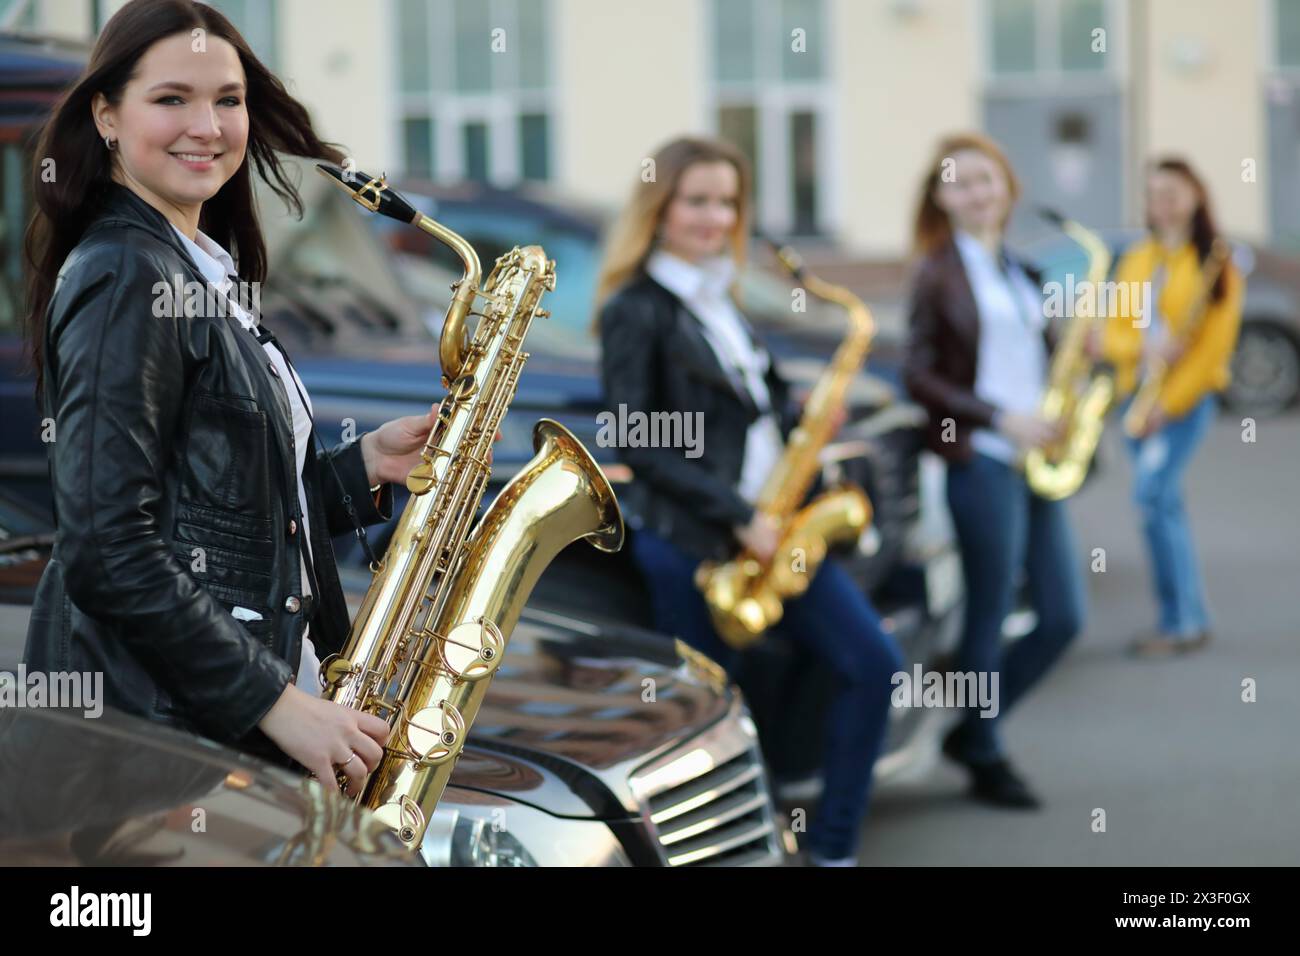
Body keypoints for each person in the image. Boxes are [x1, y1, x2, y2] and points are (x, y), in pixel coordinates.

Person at [20, 0, 440, 793]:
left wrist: (359, 469)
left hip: (204, 734)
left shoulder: (191, 267)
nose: (206, 126)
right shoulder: (124, 275)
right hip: (159, 757)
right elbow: (107, 549)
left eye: (228, 99)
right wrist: (274, 702)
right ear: (106, 115)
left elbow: (210, 508)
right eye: (171, 99)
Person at [595, 135, 903, 866]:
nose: (715, 216)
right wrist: (740, 519)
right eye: (697, 200)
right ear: (659, 207)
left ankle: (831, 850)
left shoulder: (721, 295)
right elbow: (636, 440)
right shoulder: (636, 309)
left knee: (874, 662)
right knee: (710, 726)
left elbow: (753, 403)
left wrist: (800, 419)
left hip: (775, 528)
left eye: (727, 202)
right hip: (696, 545)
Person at [902, 132, 1085, 809]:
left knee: (1064, 616)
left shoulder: (1020, 268)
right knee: (988, 615)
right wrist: (997, 417)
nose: (978, 192)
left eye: (988, 179)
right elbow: (917, 374)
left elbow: (1030, 361)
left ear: (1007, 186)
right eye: (961, 183)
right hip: (980, 459)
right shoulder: (937, 272)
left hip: (1034, 461)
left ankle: (972, 730)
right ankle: (983, 748)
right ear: (942, 198)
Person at [1095, 158, 1243, 657]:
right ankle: (1192, 617)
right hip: (1137, 395)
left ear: (1196, 196)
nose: (1163, 202)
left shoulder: (1216, 261)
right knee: (1165, 504)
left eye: (1173, 192)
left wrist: (1170, 404)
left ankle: (1177, 622)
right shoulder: (1139, 258)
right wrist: (1141, 351)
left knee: (1152, 501)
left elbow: (1213, 351)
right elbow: (1113, 331)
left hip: (1181, 403)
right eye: (1154, 193)